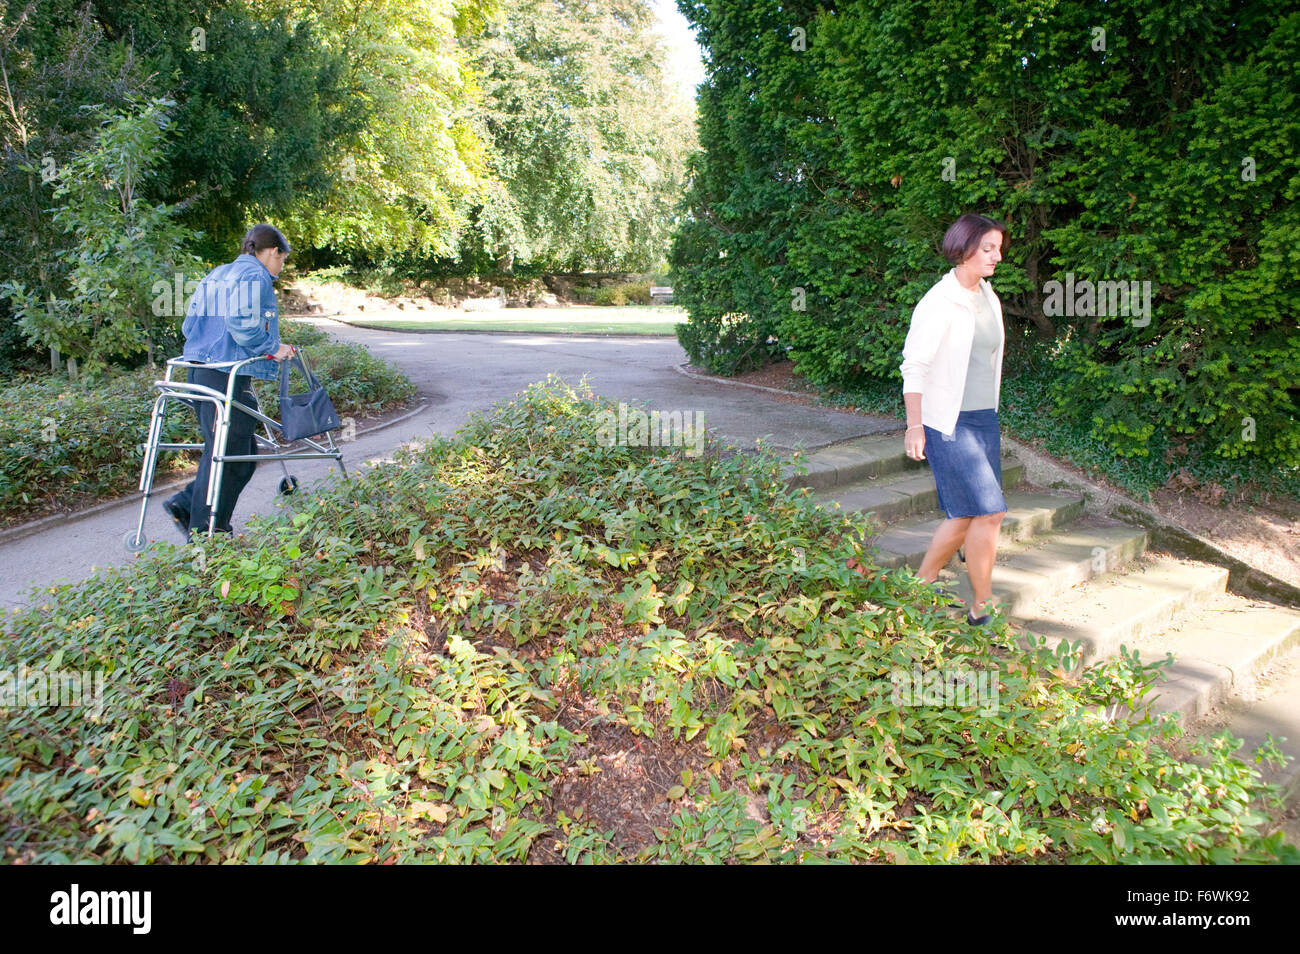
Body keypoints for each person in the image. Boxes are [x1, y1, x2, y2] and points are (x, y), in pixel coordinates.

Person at [899, 213, 1008, 625]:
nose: (996, 256)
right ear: (963, 250)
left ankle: (920, 586)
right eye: (988, 248)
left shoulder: (988, 296)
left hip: (984, 419)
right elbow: (915, 366)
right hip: (948, 423)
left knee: (967, 513)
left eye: (998, 248)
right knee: (990, 511)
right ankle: (982, 606)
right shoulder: (938, 302)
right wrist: (914, 425)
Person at [163, 224, 296, 539]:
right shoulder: (255, 276)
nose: (281, 268)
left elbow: (188, 325)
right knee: (227, 452)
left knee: (242, 452)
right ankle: (207, 531)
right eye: (283, 260)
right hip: (225, 374)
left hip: (200, 372)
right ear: (273, 252)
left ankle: (185, 505)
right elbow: (241, 324)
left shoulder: (218, 273)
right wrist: (270, 347)